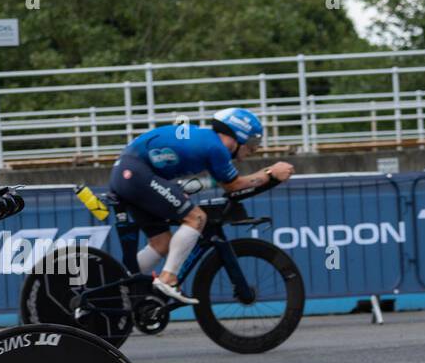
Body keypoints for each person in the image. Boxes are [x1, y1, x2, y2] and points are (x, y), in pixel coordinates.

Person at [108, 107, 294, 303]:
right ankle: (167, 279)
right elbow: (234, 186)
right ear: (238, 135)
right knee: (196, 217)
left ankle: (116, 288)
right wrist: (270, 173)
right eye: (252, 142)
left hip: (130, 173)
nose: (253, 149)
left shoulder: (208, 141)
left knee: (161, 244)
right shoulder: (216, 148)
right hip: (135, 174)